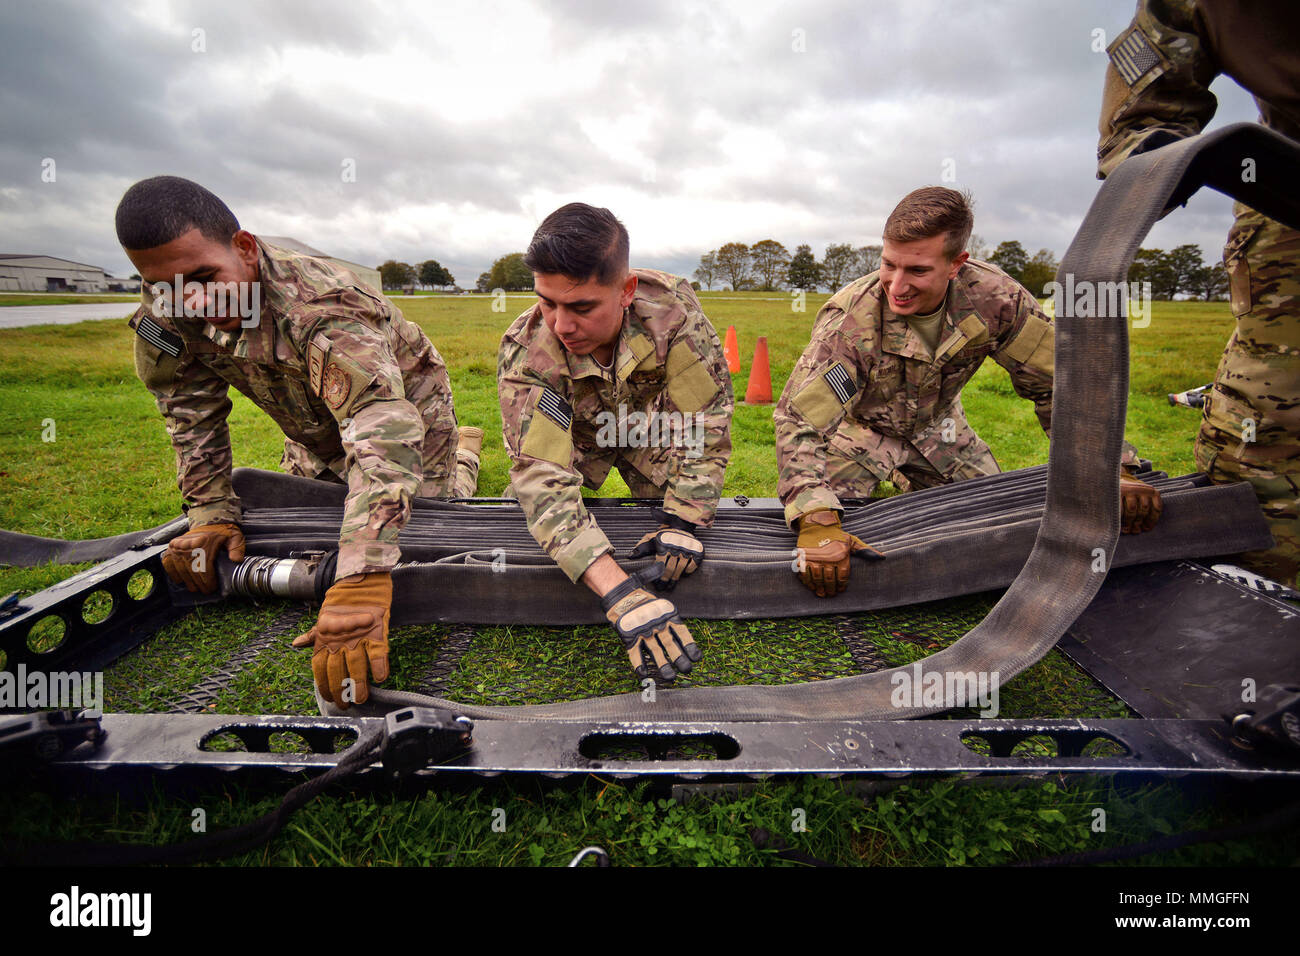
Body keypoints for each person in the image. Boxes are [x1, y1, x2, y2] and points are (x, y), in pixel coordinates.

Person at [116, 175, 481, 709]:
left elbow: (379, 422)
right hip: (307, 421)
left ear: (243, 247)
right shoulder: (163, 313)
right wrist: (211, 512)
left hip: (404, 409)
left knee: (430, 525)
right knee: (323, 516)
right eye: (170, 286)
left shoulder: (321, 305)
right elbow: (190, 414)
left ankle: (464, 454)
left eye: (204, 276)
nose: (192, 301)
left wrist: (362, 575)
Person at [775, 186, 1163, 597]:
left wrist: (1109, 469)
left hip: (941, 431)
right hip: (857, 435)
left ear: (957, 263)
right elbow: (799, 419)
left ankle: (918, 486)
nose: (897, 285)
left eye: (918, 271)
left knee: (994, 529)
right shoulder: (851, 320)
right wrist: (816, 517)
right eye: (889, 264)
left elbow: (1061, 387)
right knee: (833, 546)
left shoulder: (996, 300)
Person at [1098, 0, 1300, 587]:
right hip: (1289, 203)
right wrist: (1153, 163)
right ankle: (1265, 615)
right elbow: (1141, 113)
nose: (899, 285)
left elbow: (1048, 383)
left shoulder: (994, 299)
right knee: (1262, 460)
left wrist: (1116, 463)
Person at [497, 202, 734, 681]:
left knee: (676, 554)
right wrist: (618, 592)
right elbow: (541, 474)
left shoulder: (673, 316)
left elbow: (705, 419)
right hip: (575, 440)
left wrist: (685, 516)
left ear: (626, 291)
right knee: (519, 529)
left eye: (582, 306)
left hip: (651, 430)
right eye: (547, 301)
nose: (561, 325)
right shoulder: (529, 350)